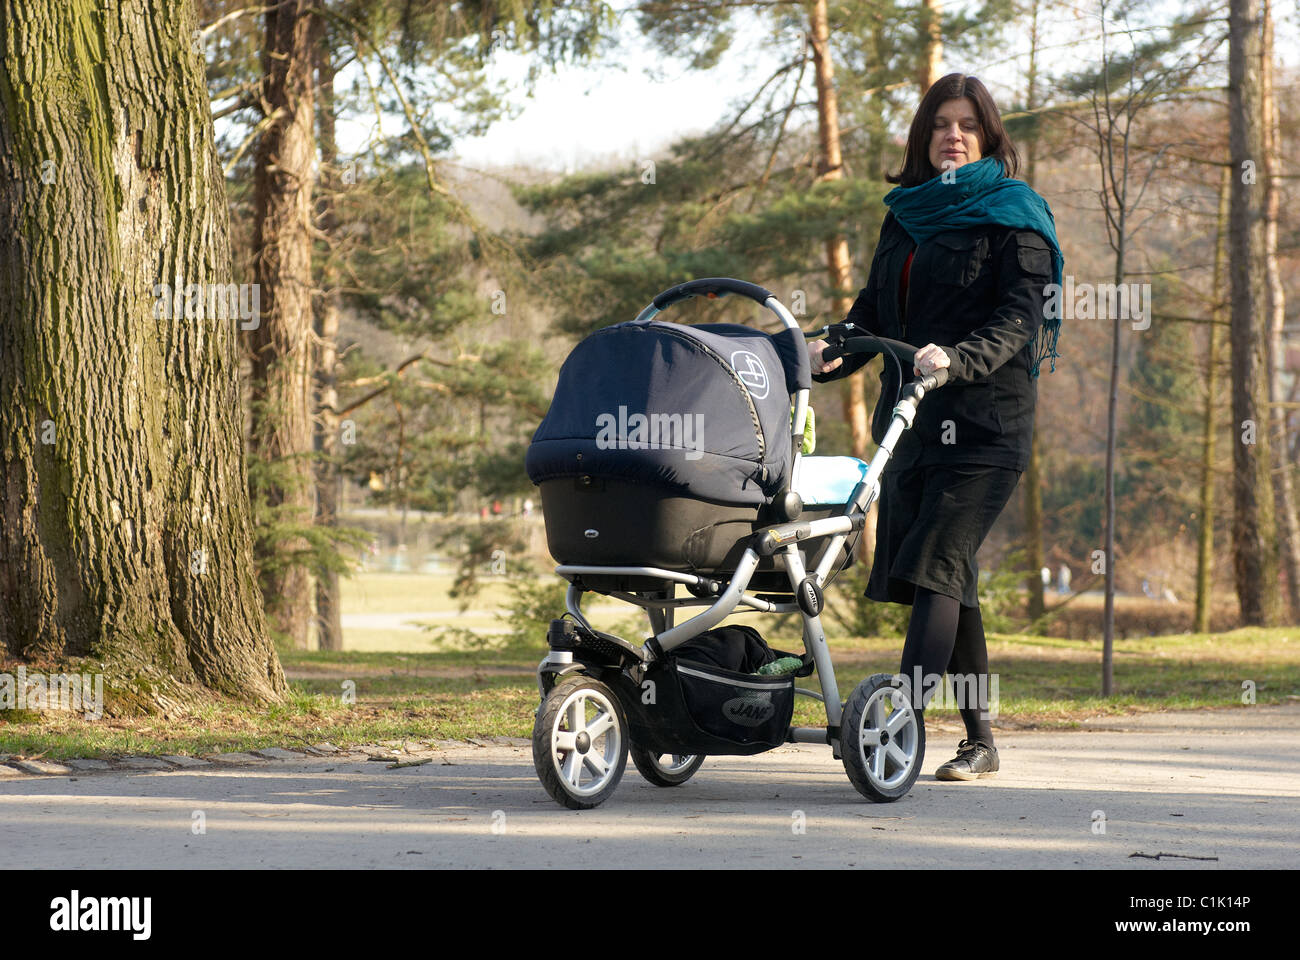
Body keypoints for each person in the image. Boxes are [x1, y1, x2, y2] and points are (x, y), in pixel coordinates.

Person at [810, 73, 1063, 782]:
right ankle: (982, 741)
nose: (953, 134)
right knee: (950, 579)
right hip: (913, 428)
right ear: (924, 138)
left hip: (985, 428)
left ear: (987, 137)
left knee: (934, 564)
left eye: (968, 124)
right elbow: (874, 312)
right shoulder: (905, 217)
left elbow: (1022, 315)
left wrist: (956, 358)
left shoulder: (1015, 211)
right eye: (940, 124)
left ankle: (896, 728)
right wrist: (829, 348)